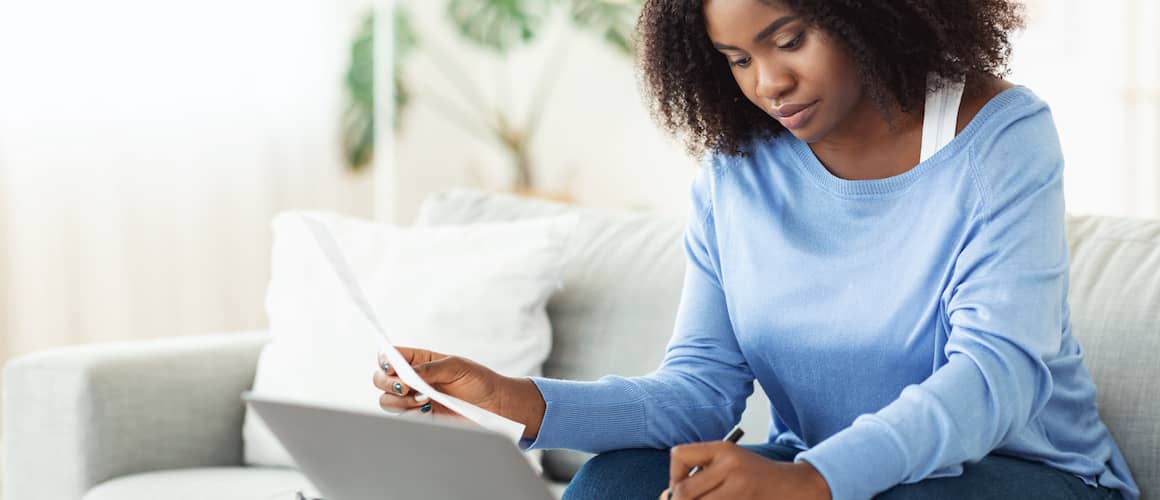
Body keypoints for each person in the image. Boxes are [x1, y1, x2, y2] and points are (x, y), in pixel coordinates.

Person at [373, 1, 1141, 499]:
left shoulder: (999, 134)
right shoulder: (736, 170)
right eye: (737, 59)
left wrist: (813, 479)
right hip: (819, 477)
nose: (769, 83)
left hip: (1022, 476)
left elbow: (995, 376)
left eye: (788, 39)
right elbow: (698, 393)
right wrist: (513, 398)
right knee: (615, 486)